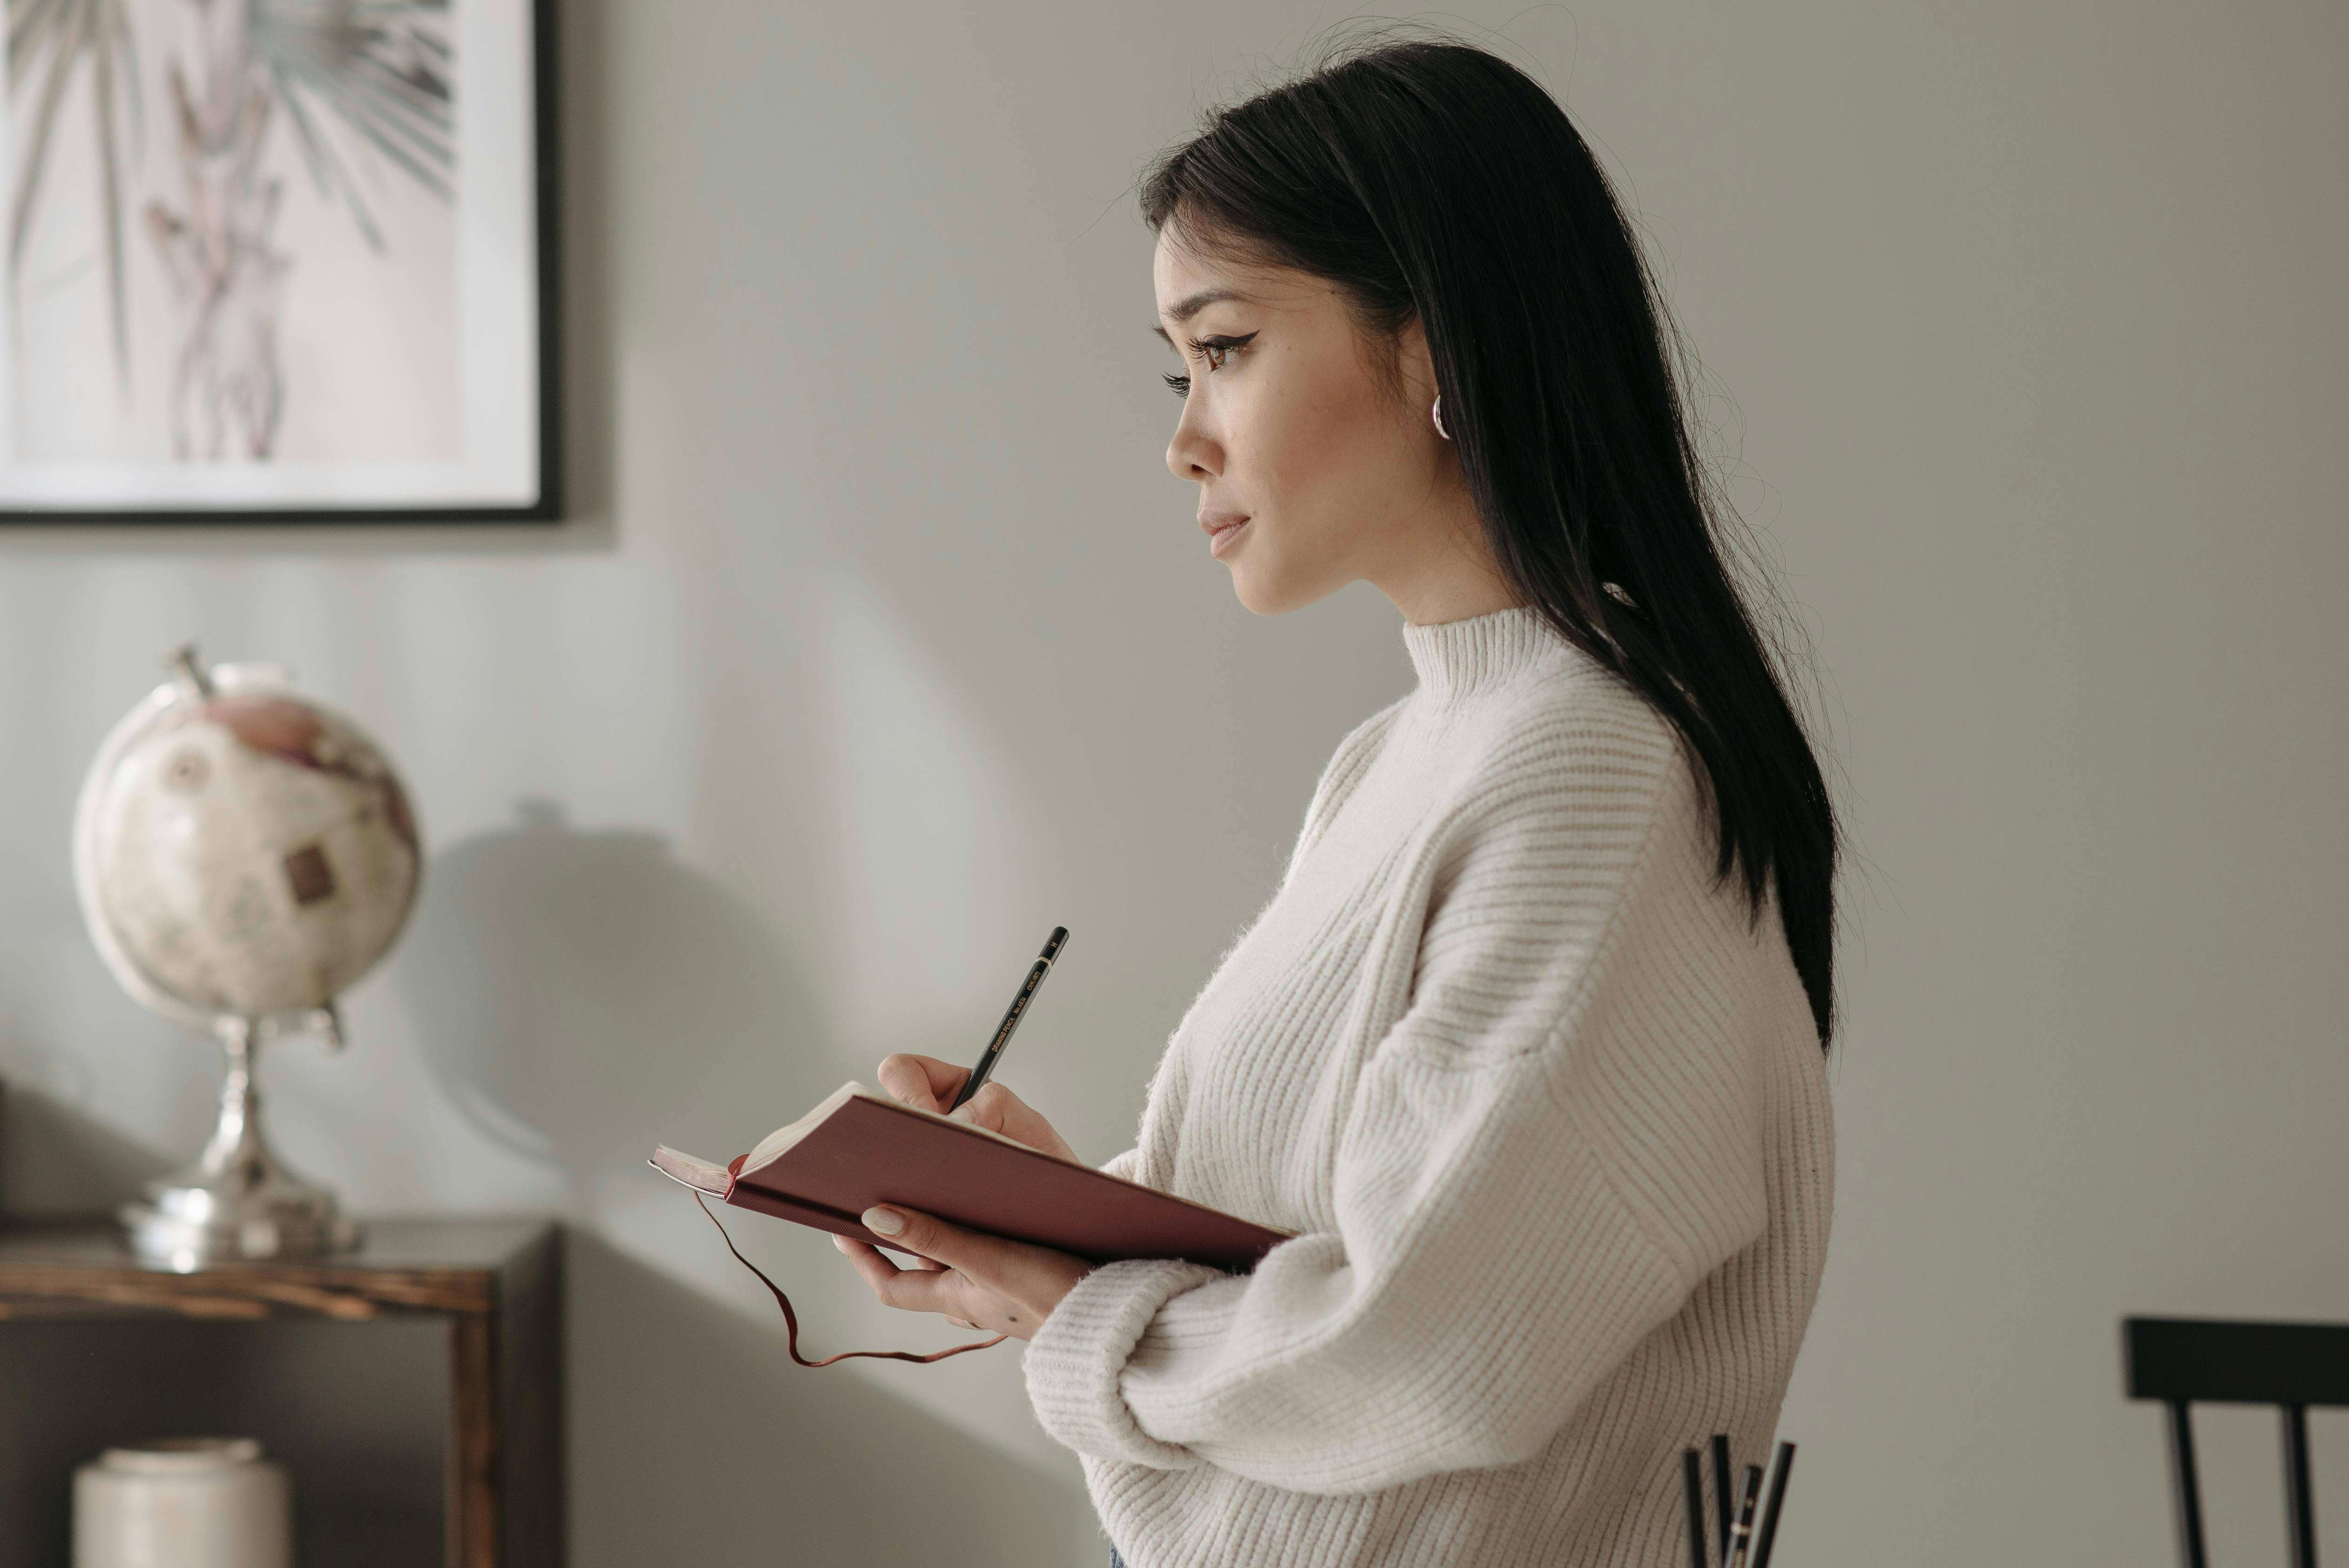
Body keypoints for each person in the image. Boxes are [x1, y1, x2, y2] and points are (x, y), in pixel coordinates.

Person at [833, 36, 1838, 1568]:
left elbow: (1436, 1349)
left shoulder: (1597, 772)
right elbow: (1360, 1242)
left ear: (1434, 349)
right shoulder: (1404, 759)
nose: (1184, 439)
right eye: (1180, 369)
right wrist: (1049, 1215)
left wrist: (1081, 1305)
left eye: (1227, 349)